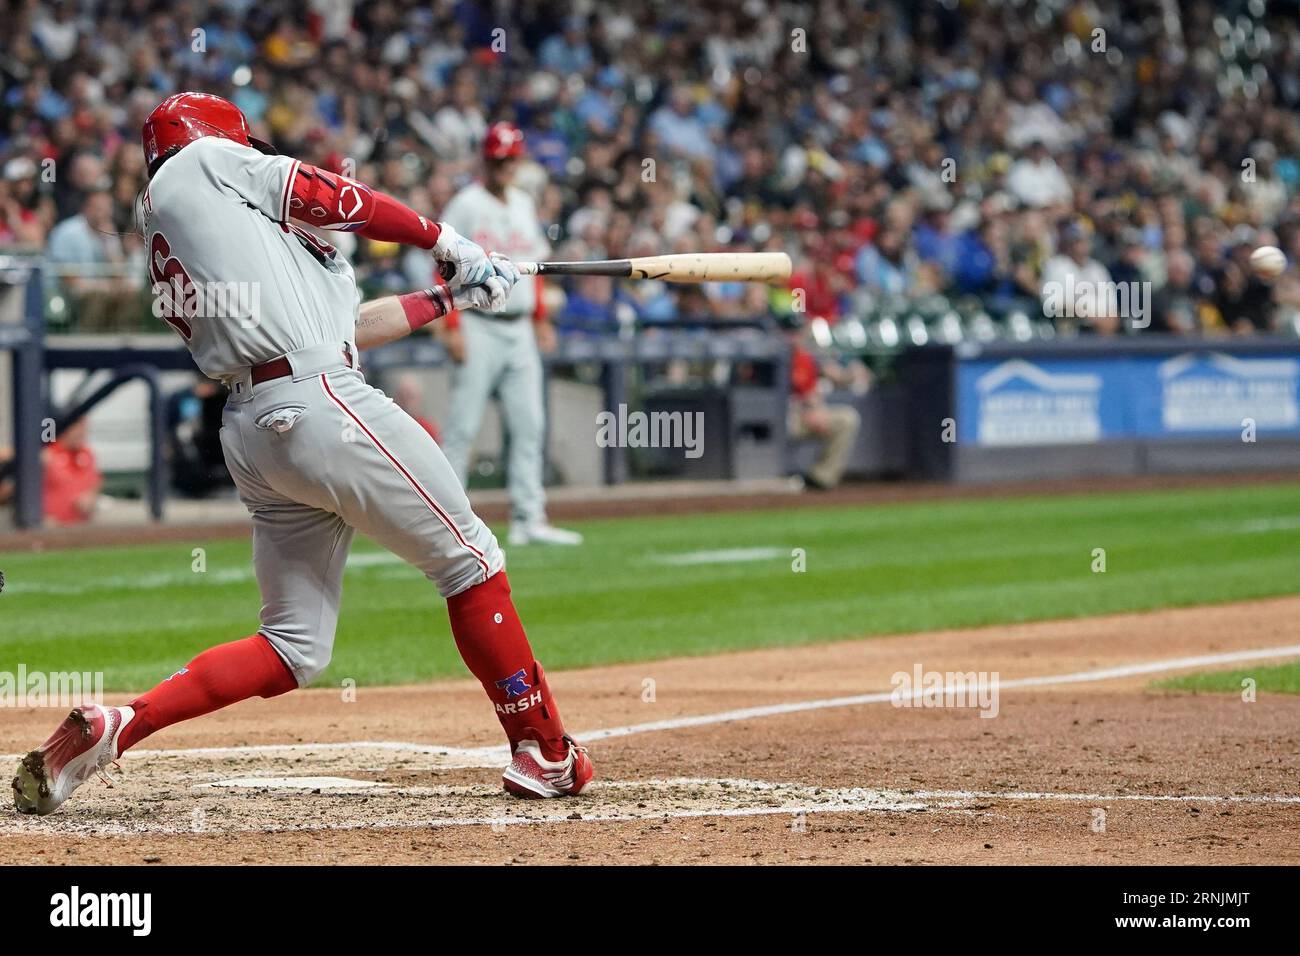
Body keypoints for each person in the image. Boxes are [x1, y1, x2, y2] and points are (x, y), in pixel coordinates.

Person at [13, 93, 592, 816]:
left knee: (292, 645)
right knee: (470, 561)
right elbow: (324, 192)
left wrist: (451, 297)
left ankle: (119, 727)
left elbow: (344, 329)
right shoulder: (204, 161)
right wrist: (443, 236)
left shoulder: (200, 227)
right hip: (319, 404)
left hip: (261, 428)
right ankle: (542, 749)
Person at [438, 123, 582, 546]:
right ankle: (446, 523)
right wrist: (450, 325)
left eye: (511, 159)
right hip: (476, 322)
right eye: (498, 159)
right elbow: (442, 262)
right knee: (462, 427)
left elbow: (533, 267)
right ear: (486, 160)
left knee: (530, 425)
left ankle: (528, 518)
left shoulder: (522, 202)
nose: (504, 166)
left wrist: (540, 317)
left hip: (518, 327)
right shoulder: (465, 204)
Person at [783, 316, 861, 491]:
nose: (794, 337)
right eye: (790, 333)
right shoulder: (771, 356)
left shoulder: (804, 358)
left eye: (798, 332)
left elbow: (811, 392)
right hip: (780, 415)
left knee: (847, 419)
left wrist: (818, 411)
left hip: (803, 413)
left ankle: (820, 478)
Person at [41, 418, 102, 525]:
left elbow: (95, 484)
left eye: (84, 427)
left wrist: (90, 499)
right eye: (77, 427)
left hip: (79, 528)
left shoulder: (87, 454)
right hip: (51, 528)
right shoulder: (48, 454)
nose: (82, 432)